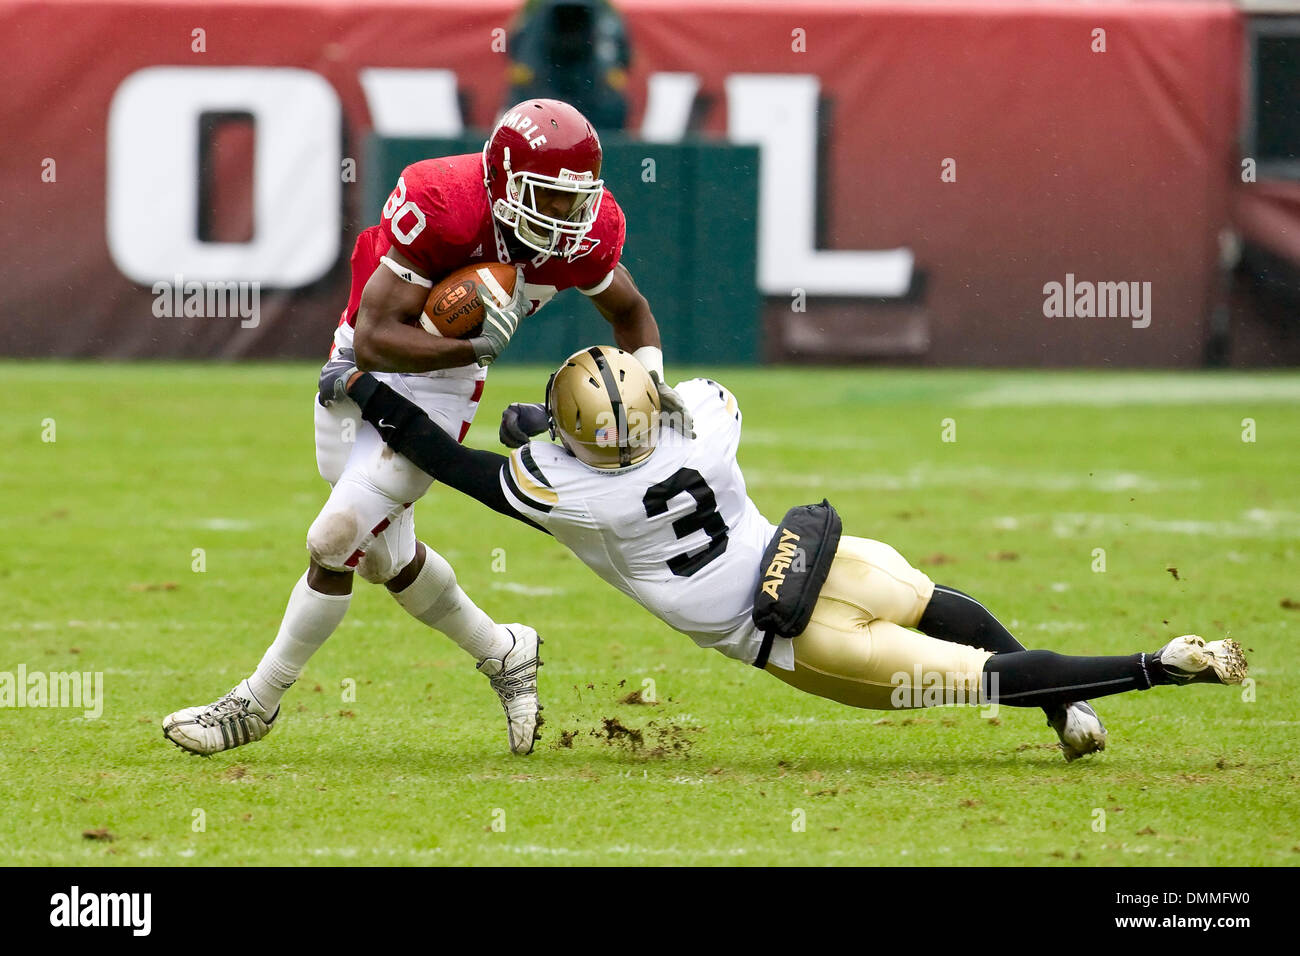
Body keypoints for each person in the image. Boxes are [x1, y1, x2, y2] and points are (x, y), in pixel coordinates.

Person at [319, 345, 1249, 761]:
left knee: (984, 681)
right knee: (936, 602)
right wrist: (568, 417)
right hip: (820, 555)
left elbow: (453, 460)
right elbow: (654, 400)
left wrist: (368, 390)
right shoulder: (707, 425)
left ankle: (1153, 668)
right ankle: (1071, 711)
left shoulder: (580, 495)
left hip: (789, 640)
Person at [162, 99, 692, 758]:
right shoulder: (442, 199)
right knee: (384, 556)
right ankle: (504, 652)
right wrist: (470, 346)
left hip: (443, 386)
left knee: (336, 539)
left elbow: (631, 309)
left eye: (572, 201)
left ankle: (256, 701)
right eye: (545, 198)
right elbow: (375, 338)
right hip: (366, 351)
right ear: (501, 179)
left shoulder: (584, 234)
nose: (561, 219)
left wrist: (652, 376)